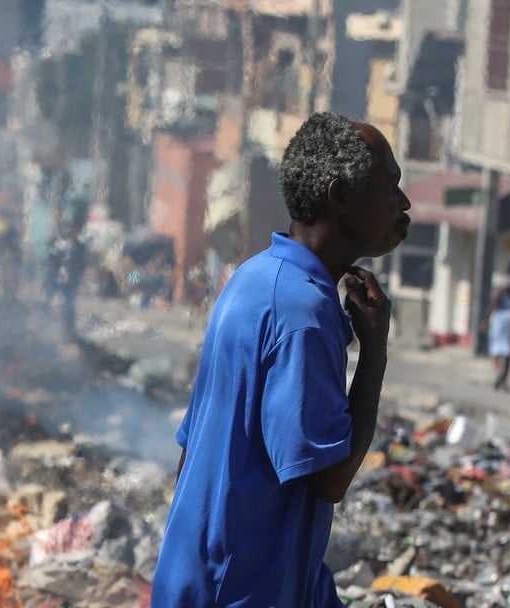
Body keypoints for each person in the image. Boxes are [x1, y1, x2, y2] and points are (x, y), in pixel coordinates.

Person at [151, 112, 411, 607]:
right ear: (341, 195)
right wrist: (374, 353)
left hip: (208, 581)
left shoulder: (256, 276)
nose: (404, 203)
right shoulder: (301, 311)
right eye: (389, 186)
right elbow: (329, 478)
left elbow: (195, 452)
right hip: (237, 592)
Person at [481, 261, 510, 391]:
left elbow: (494, 301)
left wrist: (486, 319)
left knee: (495, 349)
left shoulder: (502, 284)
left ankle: (499, 374)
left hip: (501, 318)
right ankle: (503, 378)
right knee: (508, 351)